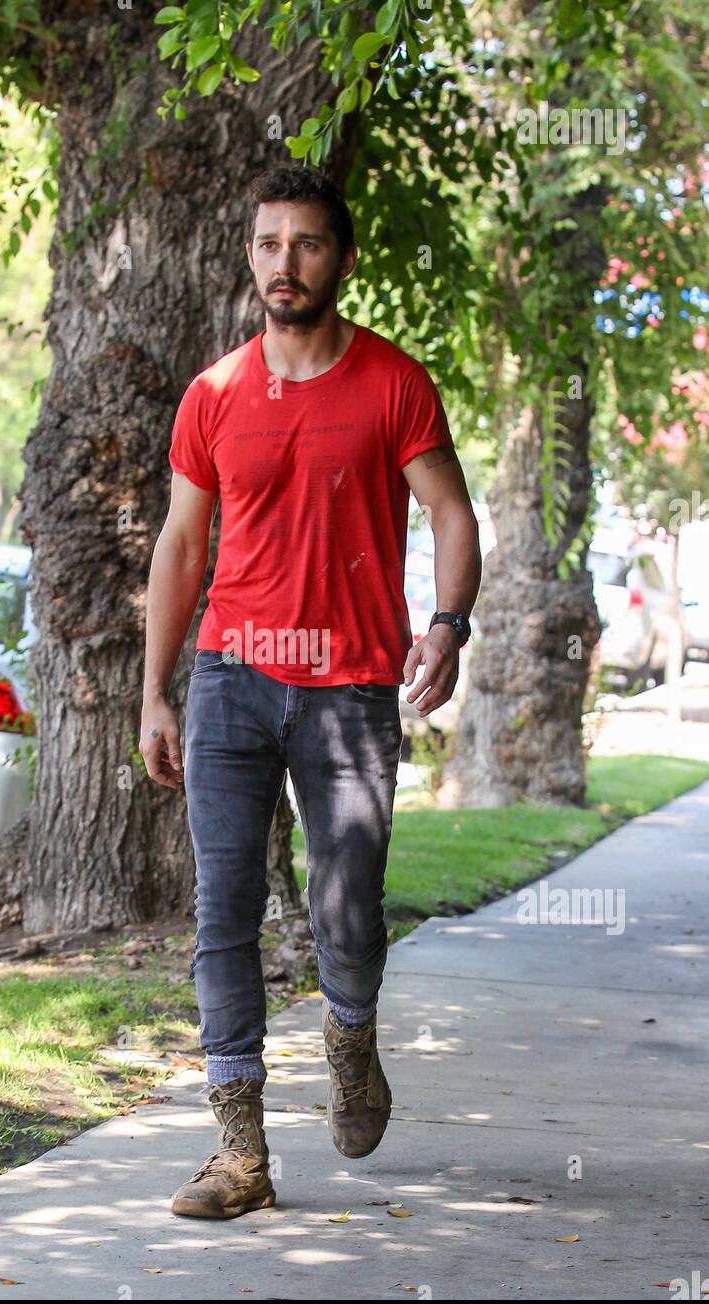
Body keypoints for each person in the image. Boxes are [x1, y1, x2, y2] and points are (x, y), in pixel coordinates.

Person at [140, 163, 482, 1219]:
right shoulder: (213, 394)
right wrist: (155, 688)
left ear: (338, 257)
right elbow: (183, 541)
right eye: (267, 243)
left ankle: (349, 1040)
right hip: (230, 679)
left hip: (347, 690)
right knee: (224, 911)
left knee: (347, 909)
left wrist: (447, 622)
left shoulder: (391, 382)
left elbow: (451, 516)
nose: (284, 262)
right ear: (249, 255)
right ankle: (240, 1154)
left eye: (307, 243)